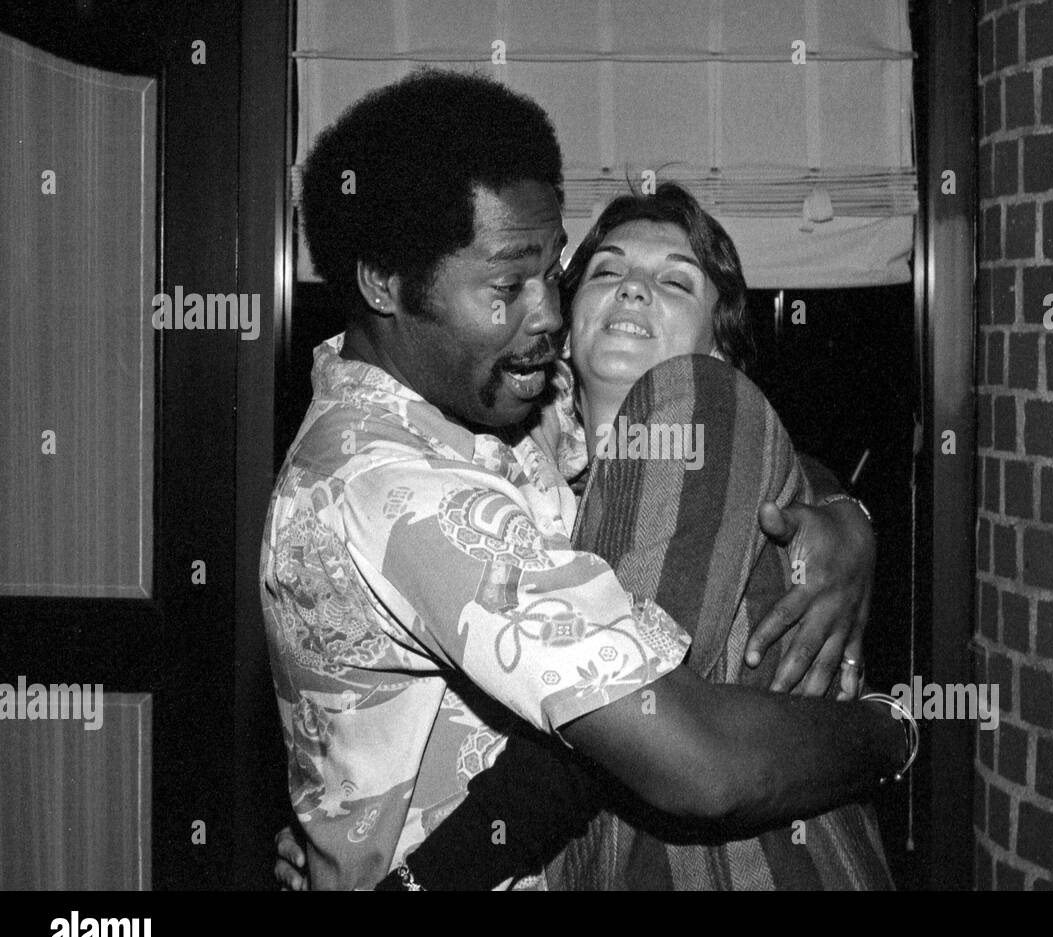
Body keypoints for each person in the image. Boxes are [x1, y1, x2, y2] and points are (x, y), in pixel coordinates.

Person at [263, 68, 905, 892]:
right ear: (383, 282)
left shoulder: (486, 410)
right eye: (510, 284)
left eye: (554, 270)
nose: (547, 311)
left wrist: (843, 509)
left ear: (723, 343)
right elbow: (687, 757)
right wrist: (893, 729)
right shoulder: (416, 475)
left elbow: (727, 439)